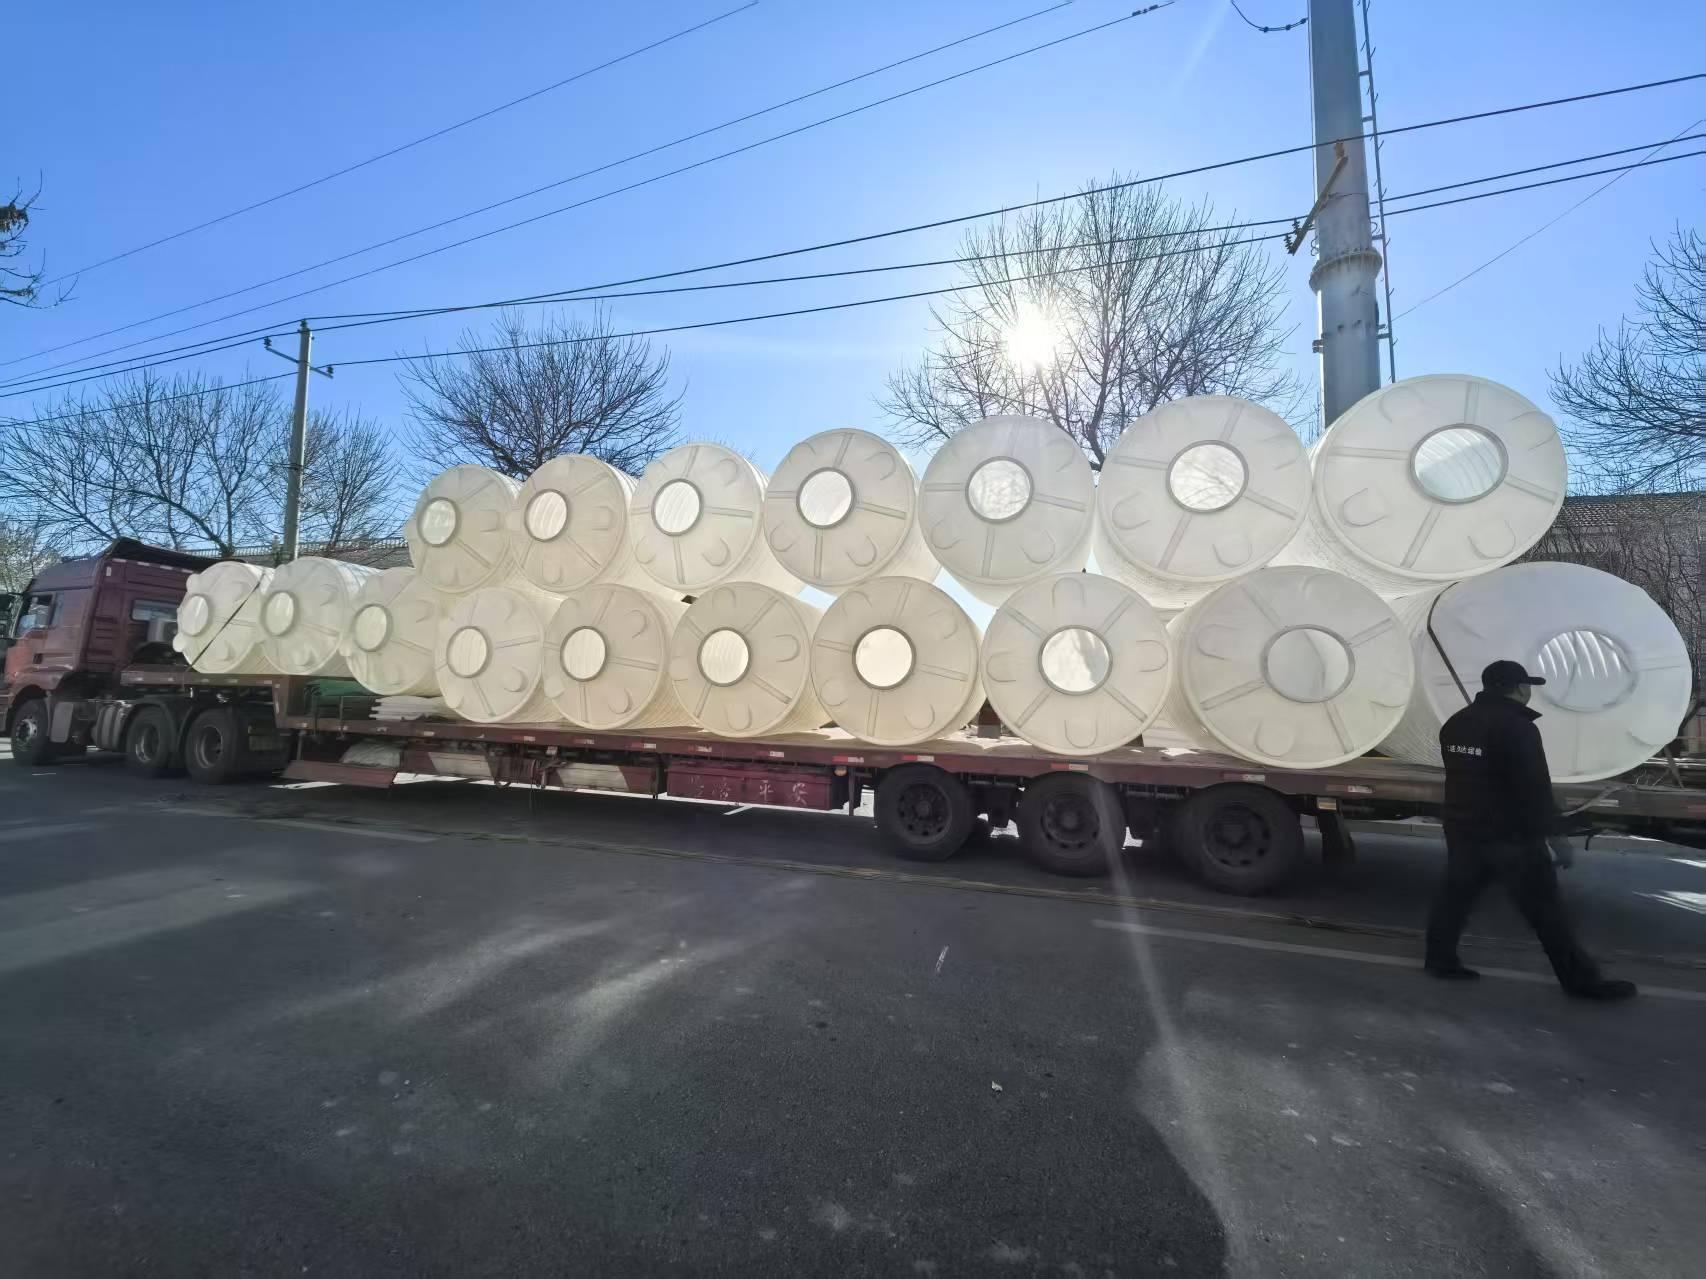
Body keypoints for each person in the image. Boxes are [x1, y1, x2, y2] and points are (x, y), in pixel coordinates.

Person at [1424, 659, 1636, 1000]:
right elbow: (1533, 788)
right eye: (1528, 686)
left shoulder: (1456, 724)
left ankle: (1439, 959)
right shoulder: (1517, 727)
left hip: (1464, 830)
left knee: (1455, 899)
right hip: (1511, 838)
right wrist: (1556, 836)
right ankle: (1581, 982)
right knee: (1547, 912)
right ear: (1520, 688)